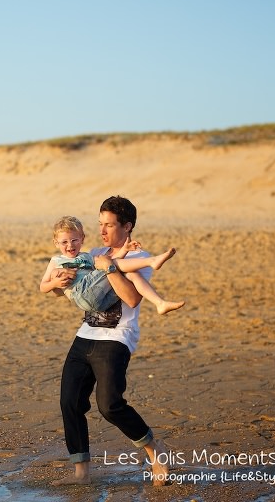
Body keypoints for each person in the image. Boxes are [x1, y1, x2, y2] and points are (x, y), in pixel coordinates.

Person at [45, 196, 172, 487]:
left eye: (109, 224)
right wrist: (60, 281)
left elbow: (131, 298)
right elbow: (70, 290)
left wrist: (111, 267)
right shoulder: (94, 252)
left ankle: (155, 452)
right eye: (100, 224)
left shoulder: (139, 257)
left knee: (110, 405)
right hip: (86, 335)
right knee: (70, 402)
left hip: (117, 337)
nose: (103, 231)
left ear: (127, 226)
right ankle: (81, 473)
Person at [40, 216, 185, 315]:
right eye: (64, 242)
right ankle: (151, 261)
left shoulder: (87, 256)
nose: (70, 245)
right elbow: (43, 287)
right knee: (109, 263)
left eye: (74, 240)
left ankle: (159, 303)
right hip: (81, 294)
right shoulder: (55, 261)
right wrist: (55, 282)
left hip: (100, 303)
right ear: (56, 243)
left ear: (82, 239)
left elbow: (109, 265)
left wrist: (124, 250)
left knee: (126, 273)